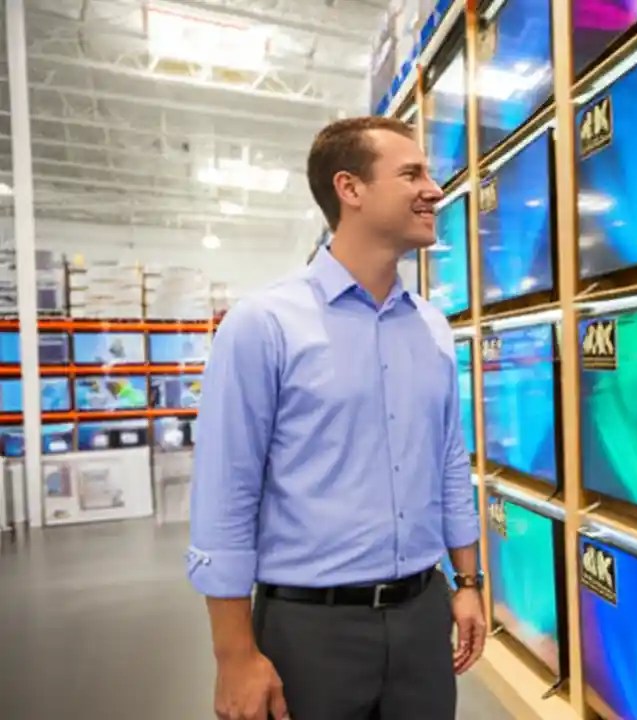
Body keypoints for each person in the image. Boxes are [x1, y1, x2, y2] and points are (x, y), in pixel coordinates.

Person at [186, 116, 484, 720]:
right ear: (350, 189)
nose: (434, 188)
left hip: (422, 616)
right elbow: (226, 492)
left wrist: (468, 582)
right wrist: (234, 654)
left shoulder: (431, 327)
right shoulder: (263, 324)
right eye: (412, 173)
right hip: (307, 631)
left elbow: (450, 457)